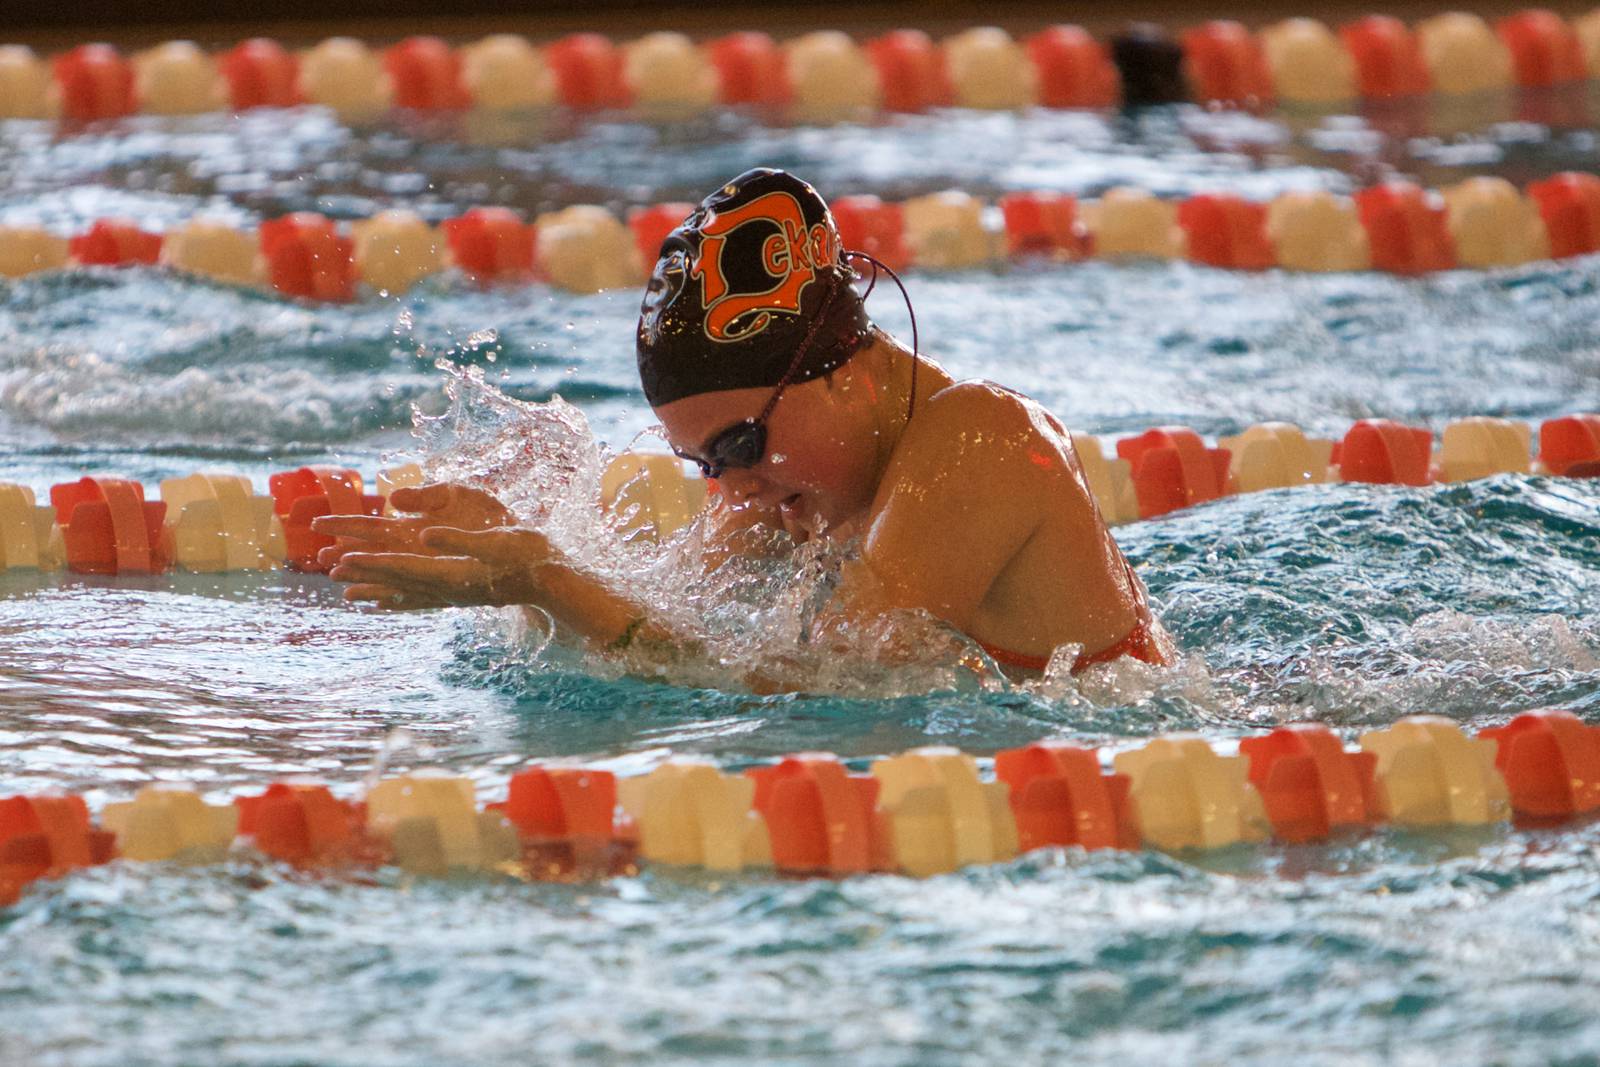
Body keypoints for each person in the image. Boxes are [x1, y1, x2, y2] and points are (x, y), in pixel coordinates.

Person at [315, 168, 1174, 683]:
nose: (731, 485)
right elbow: (676, 633)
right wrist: (523, 553)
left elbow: (809, 694)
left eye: (737, 446)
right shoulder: (786, 483)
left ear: (833, 371)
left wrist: (548, 581)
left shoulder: (978, 442)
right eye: (703, 463)